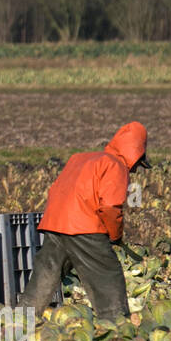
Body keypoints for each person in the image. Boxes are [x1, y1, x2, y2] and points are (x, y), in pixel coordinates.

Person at [20, 121, 150, 321]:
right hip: (85, 227)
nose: (135, 171)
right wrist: (115, 235)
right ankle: (115, 323)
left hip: (55, 223)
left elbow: (57, 189)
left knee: (47, 271)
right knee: (107, 272)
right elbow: (109, 207)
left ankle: (21, 319)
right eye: (137, 165)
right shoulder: (115, 165)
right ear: (136, 154)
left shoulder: (80, 158)